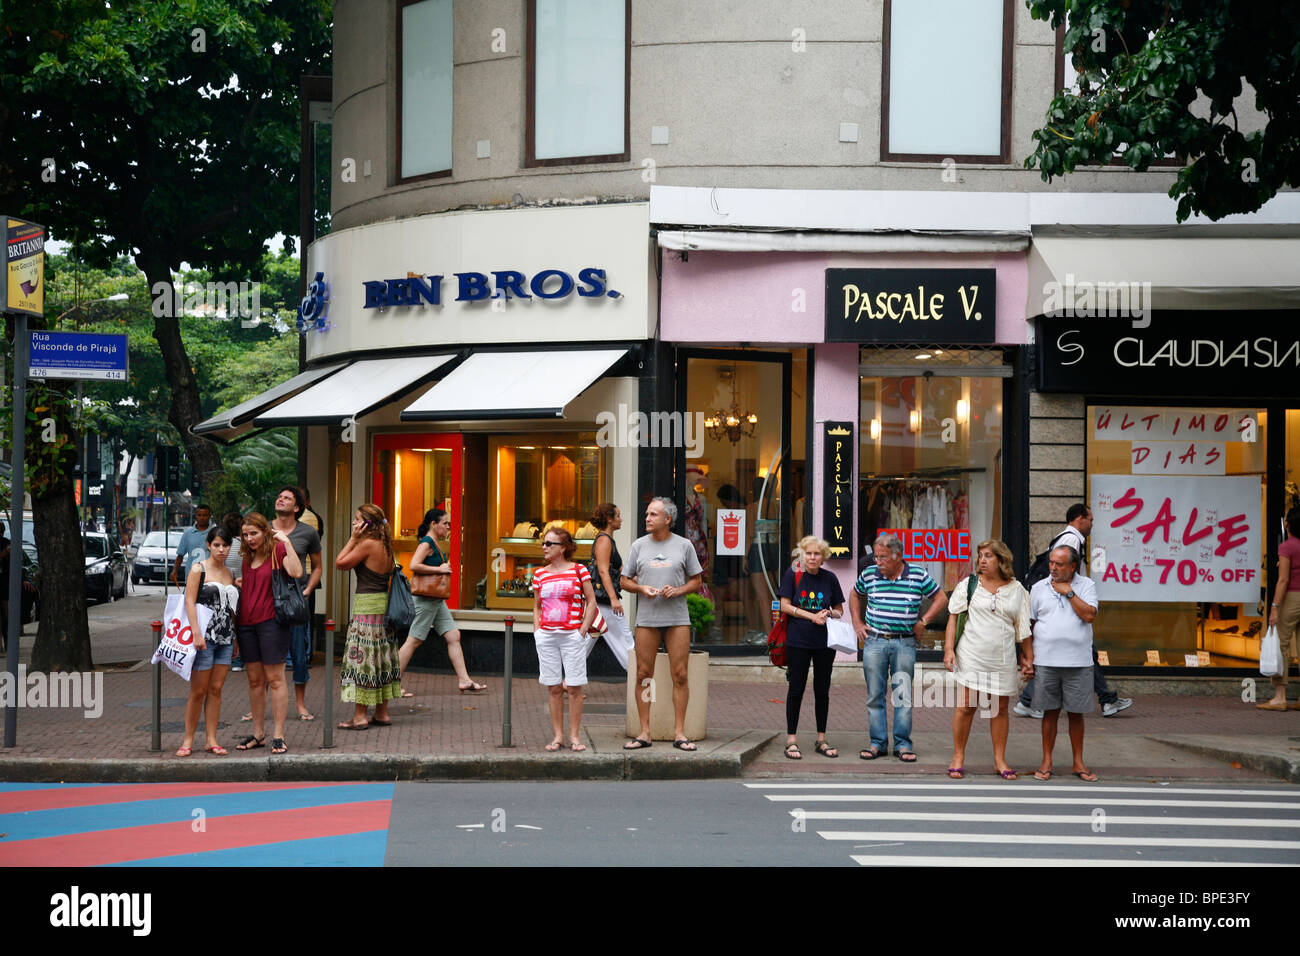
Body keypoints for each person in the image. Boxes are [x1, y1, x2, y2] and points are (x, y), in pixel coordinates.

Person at [1015, 504, 1133, 719]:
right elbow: (1065, 580)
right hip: (1065, 604)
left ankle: (1106, 699)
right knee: (1081, 655)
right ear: (1080, 518)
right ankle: (1028, 701)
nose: (1092, 524)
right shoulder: (1071, 540)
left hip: (1071, 608)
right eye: (1090, 519)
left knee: (1087, 653)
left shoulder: (1070, 538)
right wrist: (1071, 592)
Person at [850, 532, 948, 762]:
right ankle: (878, 743)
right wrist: (856, 622)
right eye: (876, 557)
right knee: (875, 695)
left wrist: (924, 621)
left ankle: (903, 744)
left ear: (898, 555)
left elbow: (941, 598)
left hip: (904, 642)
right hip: (875, 640)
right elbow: (854, 594)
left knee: (903, 695)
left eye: (883, 557)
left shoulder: (917, 574)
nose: (878, 562)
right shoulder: (870, 574)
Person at [943, 540, 1032, 780]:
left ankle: (999, 760)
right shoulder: (969, 585)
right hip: (972, 654)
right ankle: (958, 756)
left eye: (989, 556)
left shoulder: (1017, 590)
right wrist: (949, 649)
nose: (982, 560)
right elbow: (954, 617)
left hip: (1002, 657)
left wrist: (1028, 658)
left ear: (1001, 560)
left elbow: (1023, 629)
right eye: (981, 555)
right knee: (966, 707)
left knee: (999, 709)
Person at [621, 496, 704, 750]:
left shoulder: (684, 546)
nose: (647, 518)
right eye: (647, 514)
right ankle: (645, 732)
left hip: (677, 618)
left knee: (680, 674)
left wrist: (678, 591)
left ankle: (680, 733)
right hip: (647, 618)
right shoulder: (638, 545)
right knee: (644, 674)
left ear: (668, 519)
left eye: (653, 515)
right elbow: (624, 581)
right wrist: (640, 588)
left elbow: (697, 581)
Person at [1027, 545, 1100, 781]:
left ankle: (1078, 761)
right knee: (1049, 713)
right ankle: (1046, 760)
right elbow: (1029, 624)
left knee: (1076, 713)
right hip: (1047, 660)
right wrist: (1027, 657)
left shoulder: (1086, 586)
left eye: (1059, 564)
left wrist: (1068, 592)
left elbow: (1089, 615)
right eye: (1051, 563)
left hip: (1078, 661)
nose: (1053, 568)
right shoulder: (1038, 588)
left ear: (1073, 566)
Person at [233, 512, 302, 755]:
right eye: (246, 534)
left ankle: (279, 735)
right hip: (247, 623)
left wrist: (287, 542)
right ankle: (259, 733)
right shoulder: (247, 556)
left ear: (265, 532)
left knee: (275, 679)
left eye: (254, 533)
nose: (250, 538)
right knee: (254, 680)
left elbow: (296, 572)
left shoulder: (277, 551)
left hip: (272, 622)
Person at [396, 508, 486, 694]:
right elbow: (413, 565)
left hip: (436, 600)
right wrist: (440, 569)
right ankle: (390, 683)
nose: (448, 527)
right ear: (433, 524)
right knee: (413, 640)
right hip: (426, 599)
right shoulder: (427, 542)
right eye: (445, 523)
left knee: (453, 635)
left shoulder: (434, 543)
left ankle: (464, 680)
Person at [778, 536, 845, 759]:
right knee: (796, 689)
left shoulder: (830, 578)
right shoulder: (793, 575)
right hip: (798, 641)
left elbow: (839, 610)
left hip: (825, 643)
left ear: (823, 557)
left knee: (822, 691)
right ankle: (791, 739)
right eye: (808, 553)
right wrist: (811, 616)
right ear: (802, 554)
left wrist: (829, 613)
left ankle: (821, 739)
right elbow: (784, 606)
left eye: (817, 554)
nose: (812, 557)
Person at [336, 503, 401, 729]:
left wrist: (353, 539)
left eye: (357, 519)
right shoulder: (385, 545)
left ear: (367, 524)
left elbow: (340, 562)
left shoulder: (367, 544)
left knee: (363, 659)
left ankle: (360, 716)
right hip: (384, 606)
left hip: (366, 607)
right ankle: (381, 713)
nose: (354, 523)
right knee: (381, 658)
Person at [532, 527, 598, 751]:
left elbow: (592, 601)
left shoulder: (579, 570)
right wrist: (537, 631)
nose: (544, 547)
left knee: (574, 688)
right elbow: (537, 606)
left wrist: (582, 631)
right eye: (544, 543)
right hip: (547, 635)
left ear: (563, 548)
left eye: (549, 544)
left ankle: (574, 737)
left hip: (572, 635)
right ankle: (558, 736)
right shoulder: (540, 574)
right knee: (553, 688)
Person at [178, 526, 239, 757]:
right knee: (198, 690)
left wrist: (235, 638)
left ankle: (212, 739)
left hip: (225, 636)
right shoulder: (198, 569)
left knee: (216, 689)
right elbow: (189, 602)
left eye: (225, 545)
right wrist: (196, 633)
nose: (221, 550)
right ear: (208, 545)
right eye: (217, 545)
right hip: (204, 636)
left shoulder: (229, 572)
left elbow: (232, 608)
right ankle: (188, 740)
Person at [271, 486, 322, 721]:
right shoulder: (264, 528)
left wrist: (309, 588)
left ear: (297, 507)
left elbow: (318, 566)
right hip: (268, 597)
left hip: (294, 598)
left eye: (287, 498)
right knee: (266, 652)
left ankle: (301, 704)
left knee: (299, 654)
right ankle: (259, 705)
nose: (280, 500)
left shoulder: (308, 532)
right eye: (280, 497)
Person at [1259, 507, 1300, 710]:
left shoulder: (1287, 547)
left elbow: (1283, 580)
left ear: (1289, 524)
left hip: (1292, 597)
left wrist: (1274, 606)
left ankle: (1280, 696)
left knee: (1281, 644)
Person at [585, 502, 634, 670]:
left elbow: (621, 572)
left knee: (587, 642)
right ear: (609, 519)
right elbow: (603, 571)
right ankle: (642, 682)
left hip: (599, 601)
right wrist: (614, 599)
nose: (621, 519)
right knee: (625, 641)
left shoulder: (607, 540)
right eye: (618, 515)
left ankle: (567, 681)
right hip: (605, 601)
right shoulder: (604, 540)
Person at [171, 504, 212, 586]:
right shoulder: (187, 533)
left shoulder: (214, 532)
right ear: (195, 516)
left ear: (209, 516)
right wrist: (174, 571)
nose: (202, 518)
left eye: (205, 515)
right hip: (191, 574)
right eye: (199, 515)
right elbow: (180, 555)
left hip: (210, 575)